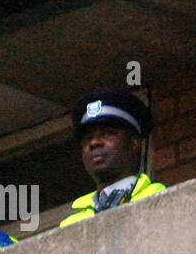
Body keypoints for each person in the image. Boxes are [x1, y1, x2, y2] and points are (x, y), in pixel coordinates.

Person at [59, 90, 166, 227]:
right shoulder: (70, 224)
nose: (94, 143)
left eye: (108, 133)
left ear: (134, 143)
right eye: (88, 138)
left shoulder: (158, 198)